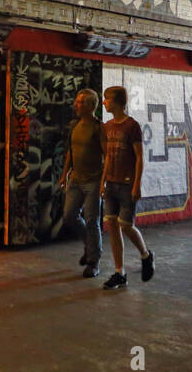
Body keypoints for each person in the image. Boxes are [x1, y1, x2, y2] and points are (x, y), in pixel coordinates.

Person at [99, 86, 154, 289]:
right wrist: (103, 181)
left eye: (107, 99)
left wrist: (136, 184)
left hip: (127, 184)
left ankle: (145, 254)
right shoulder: (107, 126)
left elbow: (139, 157)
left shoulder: (132, 126)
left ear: (117, 101)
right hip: (111, 183)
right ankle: (119, 272)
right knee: (112, 226)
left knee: (126, 225)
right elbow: (107, 157)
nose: (104, 102)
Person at [60, 88, 105, 277]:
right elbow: (71, 152)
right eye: (76, 102)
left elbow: (107, 155)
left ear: (90, 105)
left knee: (92, 220)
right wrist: (64, 175)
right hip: (76, 180)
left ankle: (93, 262)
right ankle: (90, 246)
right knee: (69, 216)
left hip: (93, 182)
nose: (76, 105)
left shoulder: (98, 128)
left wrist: (103, 182)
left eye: (80, 102)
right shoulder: (75, 126)